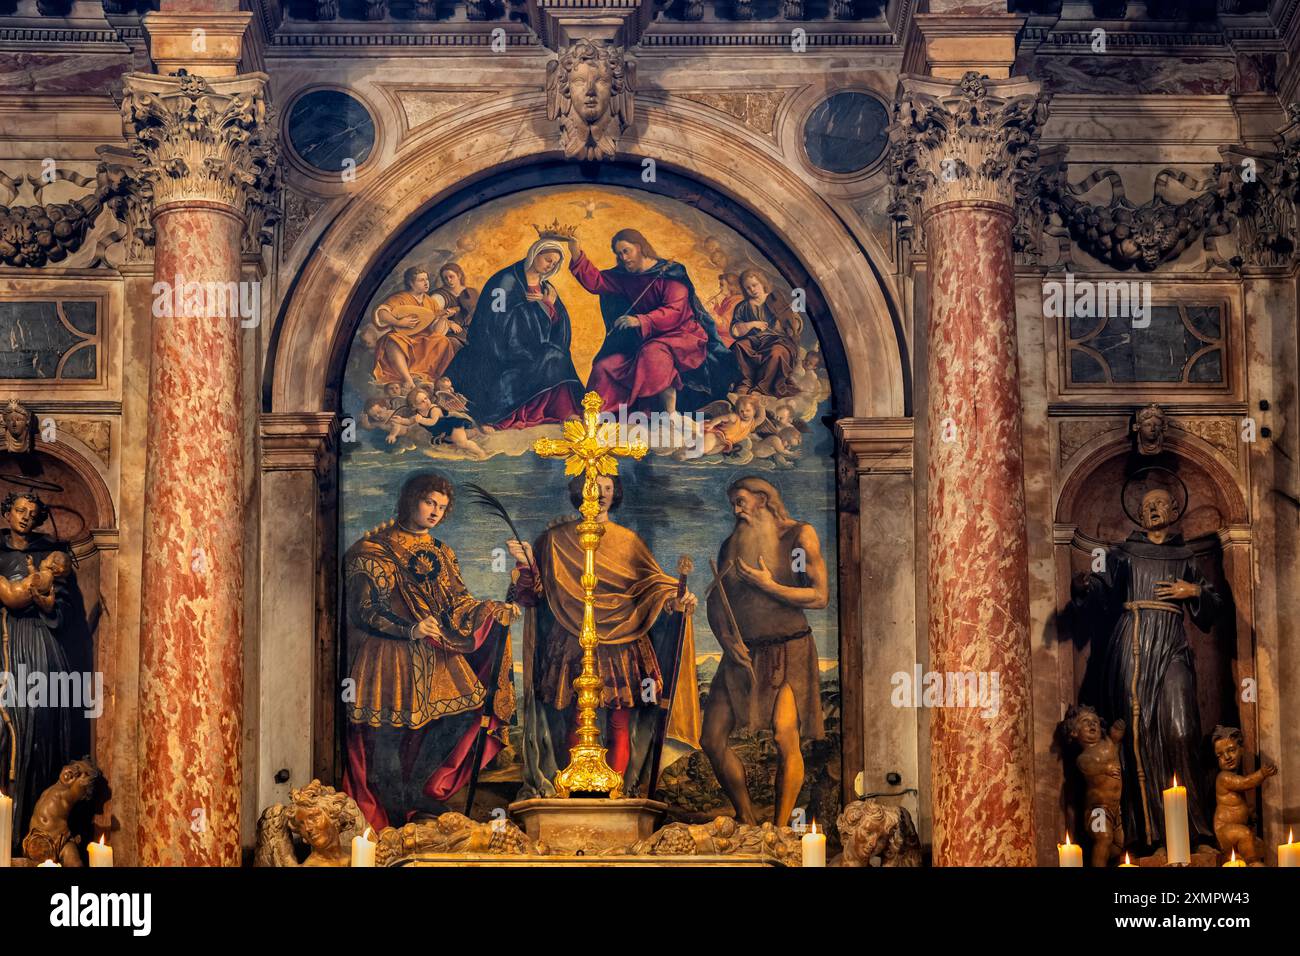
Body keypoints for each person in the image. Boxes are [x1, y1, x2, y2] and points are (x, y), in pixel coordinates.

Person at [342, 472, 518, 829]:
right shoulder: (373, 549)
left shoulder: (441, 551)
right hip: (387, 655)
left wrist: (491, 609)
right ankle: (394, 811)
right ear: (411, 500)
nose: (435, 512)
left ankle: (414, 793)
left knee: (464, 711)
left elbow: (457, 603)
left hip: (435, 654)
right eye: (429, 503)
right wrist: (410, 628)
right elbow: (362, 610)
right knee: (389, 735)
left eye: (442, 506)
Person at [507, 474, 700, 797]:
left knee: (618, 722)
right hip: (570, 637)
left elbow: (652, 585)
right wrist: (524, 564)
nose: (600, 494)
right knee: (574, 719)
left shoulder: (628, 541)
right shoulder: (554, 540)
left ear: (616, 493)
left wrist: (676, 599)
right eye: (592, 486)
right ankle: (576, 792)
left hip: (622, 642)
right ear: (577, 491)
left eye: (608, 488)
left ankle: (617, 791)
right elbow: (531, 595)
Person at [1072, 486, 1222, 851]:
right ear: (1138, 516)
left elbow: (1214, 606)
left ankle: (1197, 831)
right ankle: (1148, 836)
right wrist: (1086, 585)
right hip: (1132, 645)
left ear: (1174, 509)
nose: (1153, 510)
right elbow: (1102, 595)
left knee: (1180, 730)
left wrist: (1195, 592)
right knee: (1139, 735)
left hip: (1171, 644)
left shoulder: (1186, 554)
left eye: (1159, 504)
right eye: (1146, 506)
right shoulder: (1122, 554)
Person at [702, 476, 828, 827]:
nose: (736, 509)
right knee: (711, 738)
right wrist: (727, 641)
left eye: (741, 501)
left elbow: (819, 597)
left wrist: (769, 585)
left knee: (784, 734)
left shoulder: (799, 537)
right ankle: (746, 817)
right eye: (732, 504)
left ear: (763, 498)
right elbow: (716, 600)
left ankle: (783, 827)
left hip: (789, 652)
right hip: (741, 656)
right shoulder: (732, 545)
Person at [565, 230, 737, 415]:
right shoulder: (625, 277)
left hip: (682, 336)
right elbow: (597, 282)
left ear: (640, 247)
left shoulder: (669, 274)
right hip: (644, 340)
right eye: (619, 253)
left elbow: (675, 311)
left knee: (653, 353)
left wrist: (640, 320)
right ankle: (596, 416)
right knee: (604, 367)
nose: (622, 257)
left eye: (626, 251)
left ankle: (664, 414)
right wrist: (575, 251)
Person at [0, 491, 87, 849]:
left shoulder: (52, 555)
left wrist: (48, 599)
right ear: (8, 513)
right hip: (6, 643)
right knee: (7, 730)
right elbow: (10, 596)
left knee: (40, 720)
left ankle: (35, 831)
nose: (24, 517)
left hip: (42, 648)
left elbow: (62, 611)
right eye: (19, 510)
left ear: (38, 519)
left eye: (32, 513)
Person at [444, 239, 583, 428]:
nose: (550, 265)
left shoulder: (546, 288)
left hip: (535, 347)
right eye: (548, 259)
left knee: (556, 355)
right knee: (551, 356)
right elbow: (494, 317)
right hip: (504, 348)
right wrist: (527, 305)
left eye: (555, 263)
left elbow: (559, 321)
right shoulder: (505, 280)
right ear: (535, 254)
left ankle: (561, 411)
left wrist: (546, 303)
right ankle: (524, 414)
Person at [367, 267, 461, 390]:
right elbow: (382, 313)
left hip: (423, 339)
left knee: (443, 341)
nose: (426, 283)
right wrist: (399, 322)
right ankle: (408, 380)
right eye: (421, 280)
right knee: (392, 340)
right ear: (411, 283)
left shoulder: (430, 301)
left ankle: (423, 376)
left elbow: (436, 328)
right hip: (404, 336)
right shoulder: (400, 298)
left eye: (427, 279)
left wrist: (444, 318)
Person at [729, 268, 801, 398]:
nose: (752, 290)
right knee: (739, 346)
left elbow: (794, 323)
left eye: (754, 285)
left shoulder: (776, 299)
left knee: (777, 352)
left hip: (779, 341)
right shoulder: (743, 306)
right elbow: (735, 330)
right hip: (756, 341)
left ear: (762, 283)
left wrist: (787, 323)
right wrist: (752, 324)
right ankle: (745, 383)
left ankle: (762, 388)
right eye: (748, 288)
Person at [432, 262, 479, 354]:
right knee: (454, 345)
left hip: (473, 329)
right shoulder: (439, 296)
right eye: (445, 278)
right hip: (454, 333)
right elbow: (432, 317)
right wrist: (449, 324)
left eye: (451, 276)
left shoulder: (471, 292)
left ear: (459, 275)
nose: (449, 280)